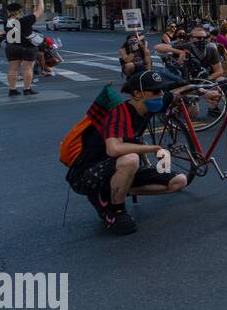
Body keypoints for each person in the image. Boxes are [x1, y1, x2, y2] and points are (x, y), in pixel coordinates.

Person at [64, 70, 212, 235]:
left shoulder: (150, 103)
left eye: (162, 90)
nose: (161, 94)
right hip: (88, 174)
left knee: (179, 181)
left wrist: (206, 93)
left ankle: (116, 189)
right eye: (156, 91)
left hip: (118, 169)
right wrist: (154, 148)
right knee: (131, 158)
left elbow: (177, 93)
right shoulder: (119, 112)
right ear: (137, 94)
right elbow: (113, 149)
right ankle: (115, 211)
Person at [2, 0, 45, 97]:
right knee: (28, 68)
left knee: (13, 69)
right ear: (20, 11)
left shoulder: (6, 22)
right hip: (27, 47)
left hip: (12, 47)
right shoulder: (26, 20)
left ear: (8, 12)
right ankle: (27, 89)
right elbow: (39, 11)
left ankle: (12, 90)